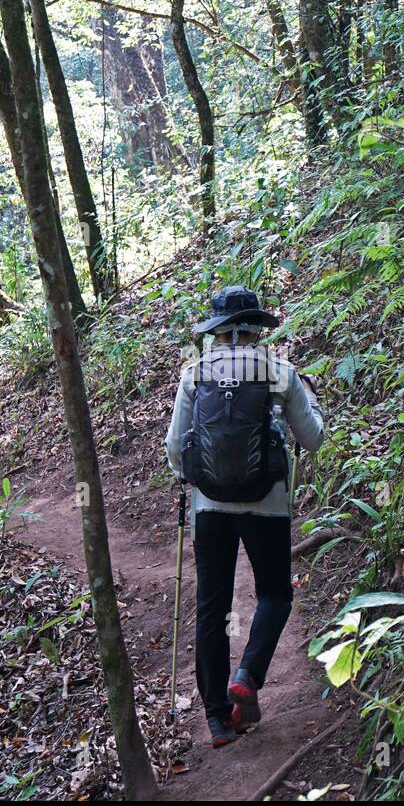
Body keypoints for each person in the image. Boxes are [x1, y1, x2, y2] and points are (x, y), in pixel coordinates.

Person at [165, 286, 325, 747]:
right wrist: (312, 402)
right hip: (267, 505)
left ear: (216, 330)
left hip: (210, 508)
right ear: (257, 328)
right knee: (275, 594)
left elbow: (175, 449)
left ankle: (217, 720)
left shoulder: (194, 373)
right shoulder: (280, 371)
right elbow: (312, 439)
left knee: (212, 609)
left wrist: (196, 479)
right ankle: (248, 673)